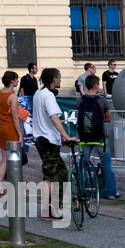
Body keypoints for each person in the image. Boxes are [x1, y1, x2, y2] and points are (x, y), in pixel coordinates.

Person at [31, 68, 77, 219]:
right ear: (53, 79)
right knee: (50, 176)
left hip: (41, 138)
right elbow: (53, 117)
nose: (60, 80)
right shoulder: (48, 96)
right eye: (59, 77)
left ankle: (57, 206)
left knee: (62, 173)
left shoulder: (38, 93)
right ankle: (48, 210)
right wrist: (65, 136)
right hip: (48, 140)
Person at [79, 74, 120, 199]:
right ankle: (111, 192)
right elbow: (108, 118)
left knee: (83, 164)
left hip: (85, 136)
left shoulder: (80, 100)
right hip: (99, 137)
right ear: (97, 85)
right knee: (106, 163)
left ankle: (82, 189)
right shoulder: (102, 101)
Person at [0, 70, 22, 196]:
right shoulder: (12, 96)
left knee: (4, 159)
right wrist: (20, 134)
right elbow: (15, 117)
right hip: (10, 128)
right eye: (16, 79)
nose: (17, 81)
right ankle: (15, 186)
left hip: (2, 127)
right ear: (12, 81)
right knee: (15, 158)